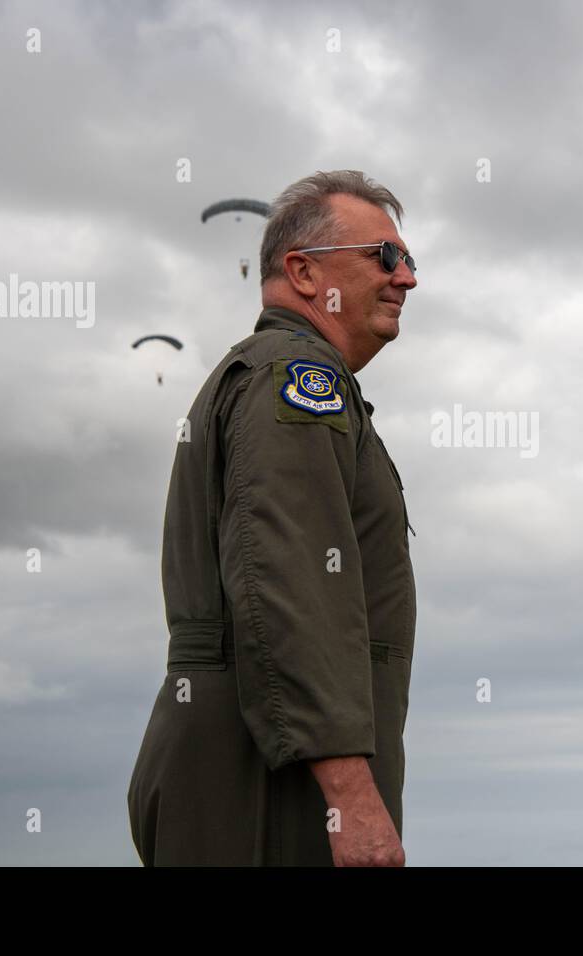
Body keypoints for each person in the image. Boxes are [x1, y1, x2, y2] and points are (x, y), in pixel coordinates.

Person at [128, 170, 418, 866]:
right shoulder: (294, 380)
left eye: (409, 260)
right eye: (385, 256)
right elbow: (290, 580)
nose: (406, 277)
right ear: (304, 272)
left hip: (268, 766)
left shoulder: (292, 379)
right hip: (269, 781)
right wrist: (349, 792)